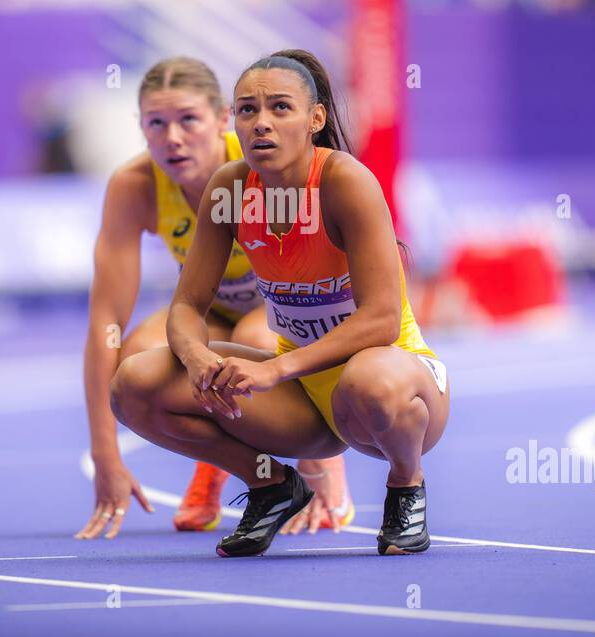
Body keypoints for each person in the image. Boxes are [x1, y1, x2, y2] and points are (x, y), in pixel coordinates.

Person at [110, 50, 449, 556]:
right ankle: (271, 486)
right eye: (247, 110)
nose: (261, 123)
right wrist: (198, 358)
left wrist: (277, 369)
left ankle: (406, 485)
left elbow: (379, 320)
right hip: (303, 402)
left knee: (369, 380)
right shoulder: (229, 188)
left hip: (393, 383)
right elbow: (187, 307)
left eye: (279, 108)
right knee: (135, 383)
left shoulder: (346, 183)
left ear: (315, 119)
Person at [78, 56, 353, 540]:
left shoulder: (263, 160)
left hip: (282, 312)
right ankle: (244, 470)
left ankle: (308, 473)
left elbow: (328, 281)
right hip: (208, 312)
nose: (173, 138)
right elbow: (106, 323)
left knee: (256, 338)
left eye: (188, 120)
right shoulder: (135, 187)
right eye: (156, 124)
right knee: (139, 358)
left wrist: (322, 462)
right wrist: (106, 456)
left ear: (222, 120)